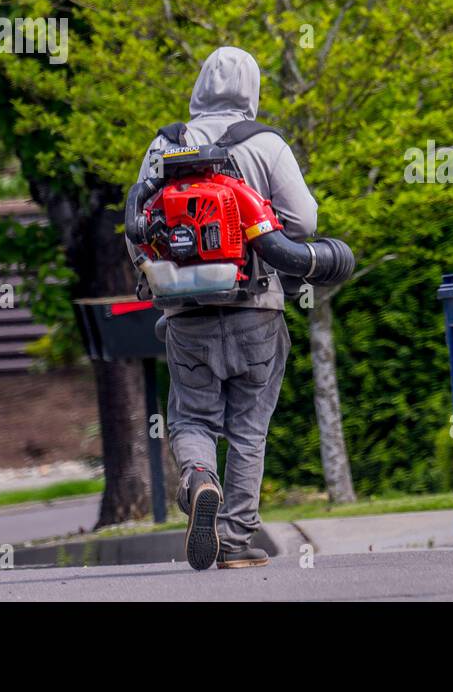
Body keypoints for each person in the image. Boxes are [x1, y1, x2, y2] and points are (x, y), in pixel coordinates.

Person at [128, 46, 318, 570]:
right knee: (249, 428)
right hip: (257, 307)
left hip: (186, 310)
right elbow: (303, 224)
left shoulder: (165, 144)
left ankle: (198, 481)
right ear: (251, 88)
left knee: (192, 416)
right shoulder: (265, 144)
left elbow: (138, 227)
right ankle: (235, 540)